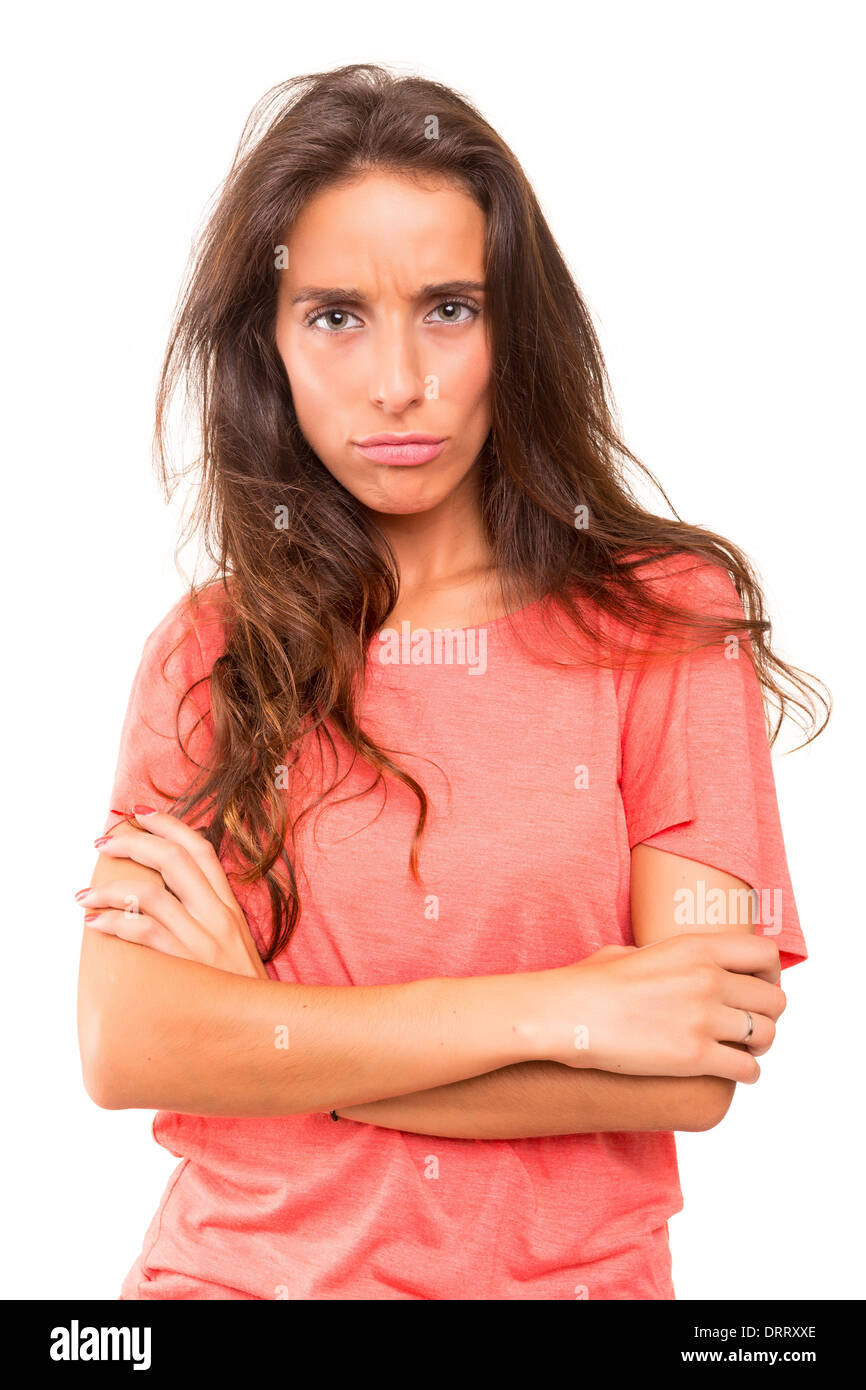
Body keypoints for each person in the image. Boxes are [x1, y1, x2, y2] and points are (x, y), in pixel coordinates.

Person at [76, 64, 827, 1301]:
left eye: (447, 309)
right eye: (332, 315)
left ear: (512, 328)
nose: (395, 383)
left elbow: (697, 1060)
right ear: (266, 342)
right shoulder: (209, 652)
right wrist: (563, 1009)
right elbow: (124, 1044)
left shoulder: (670, 627)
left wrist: (259, 1023)